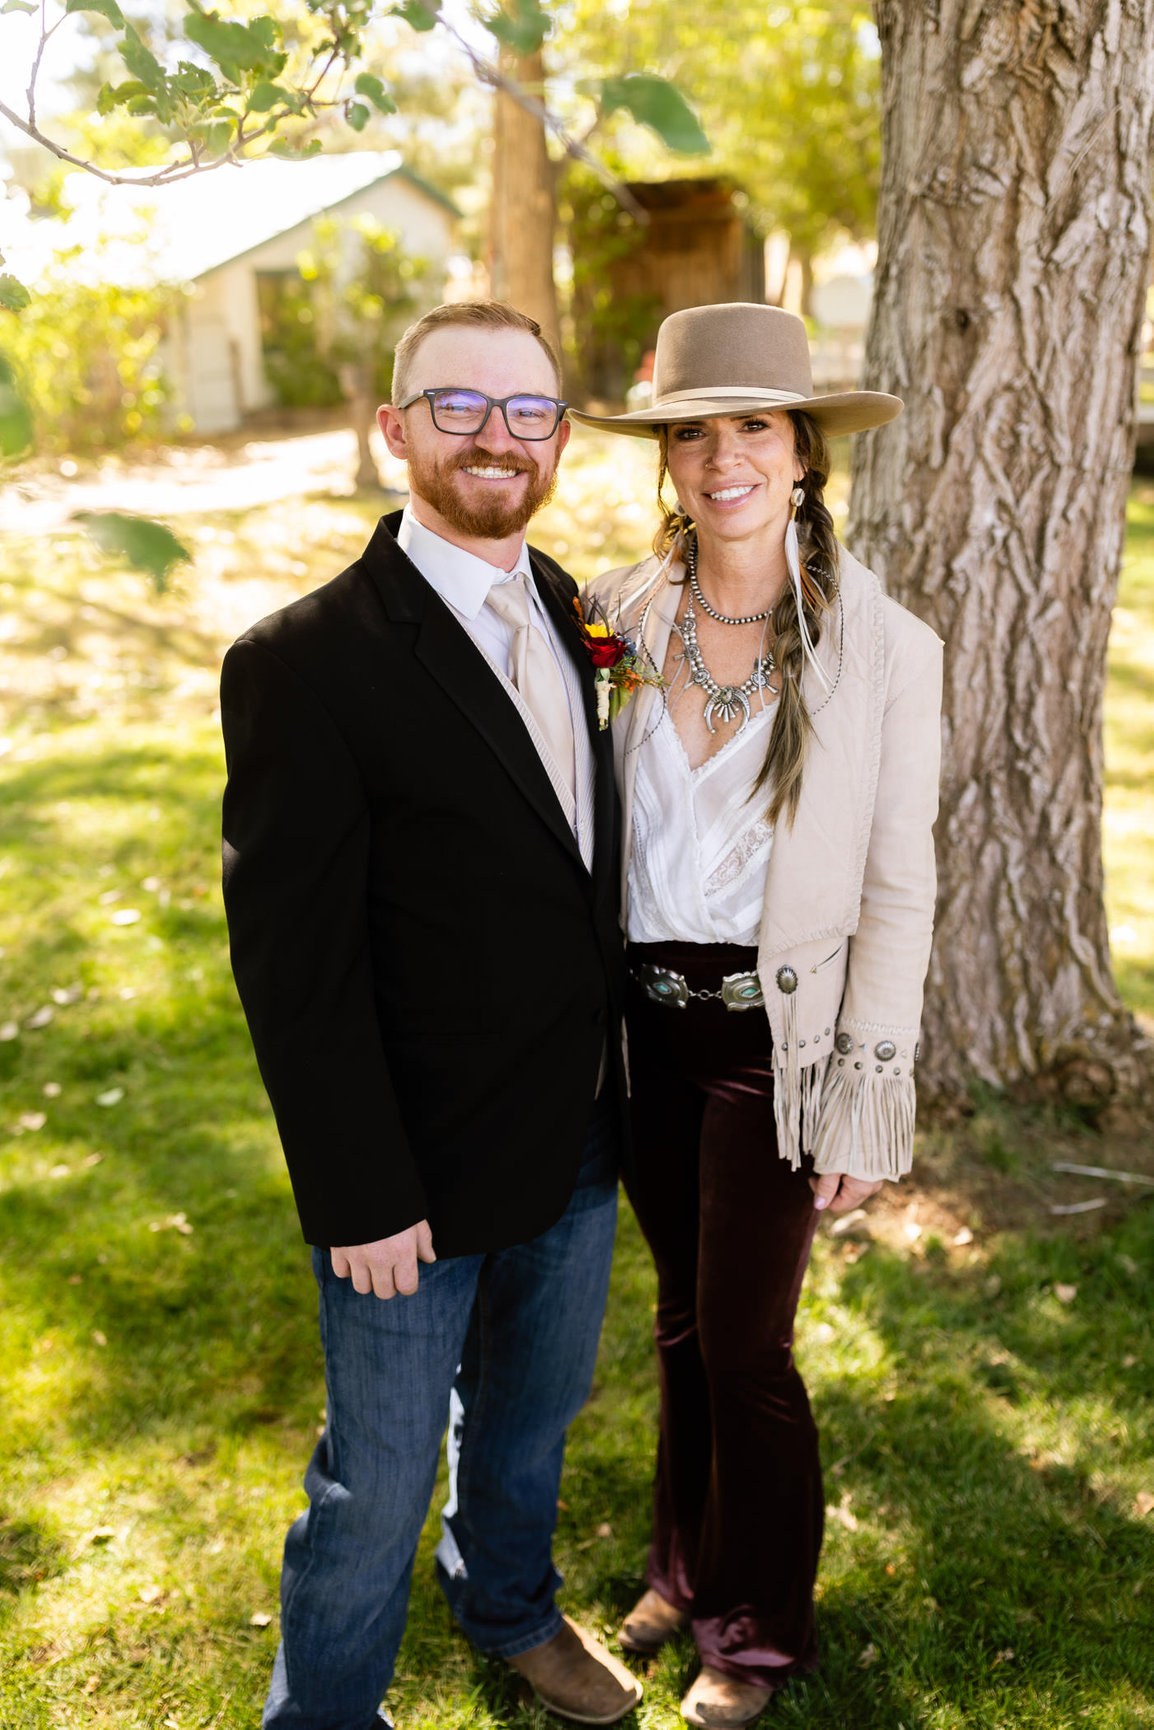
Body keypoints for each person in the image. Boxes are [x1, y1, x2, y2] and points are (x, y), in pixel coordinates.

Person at [220, 299, 642, 1730]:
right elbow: (295, 964)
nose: (494, 436)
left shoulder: (576, 610)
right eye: (457, 406)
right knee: (378, 1473)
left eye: (527, 409)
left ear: (560, 438)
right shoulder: (304, 661)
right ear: (395, 430)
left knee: (530, 1421)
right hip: (407, 1171)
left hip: (575, 1134)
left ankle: (507, 1602)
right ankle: (326, 1713)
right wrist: (358, 1188)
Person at [573, 302, 943, 1728]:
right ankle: (683, 1565)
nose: (723, 455)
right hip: (642, 1034)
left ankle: (757, 1626)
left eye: (754, 426)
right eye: (694, 431)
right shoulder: (614, 615)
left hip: (771, 1047)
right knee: (679, 1322)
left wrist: (868, 1090)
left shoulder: (882, 647)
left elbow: (898, 885)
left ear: (801, 452)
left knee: (746, 1345)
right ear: (667, 457)